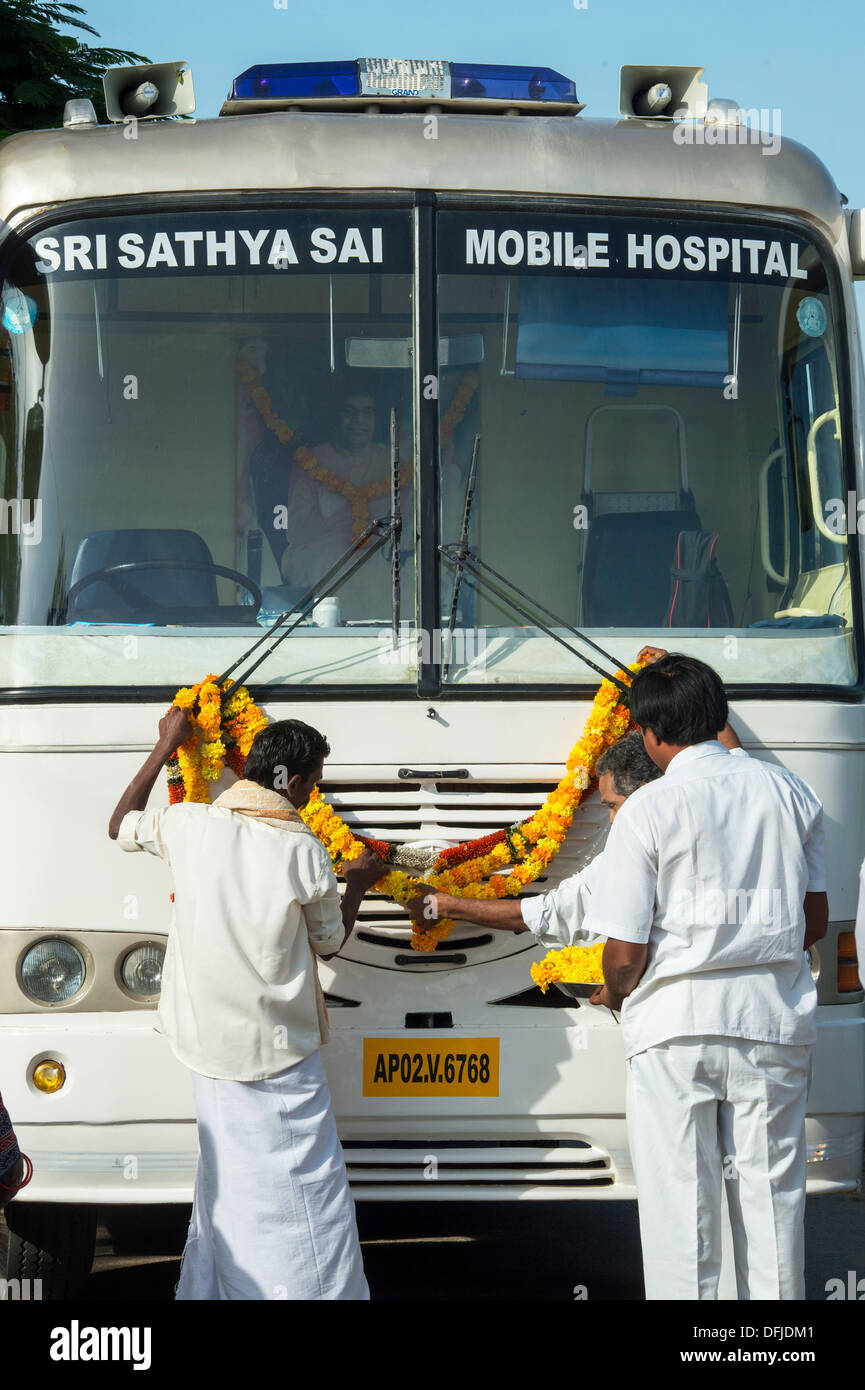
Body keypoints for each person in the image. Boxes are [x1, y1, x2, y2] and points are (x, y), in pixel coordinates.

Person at [108, 711, 385, 1300]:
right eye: (313, 781)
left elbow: (119, 823)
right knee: (304, 1189)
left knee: (228, 1180)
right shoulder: (302, 850)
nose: (314, 794)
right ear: (288, 779)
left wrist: (165, 745)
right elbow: (329, 942)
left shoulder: (187, 823)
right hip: (278, 1057)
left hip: (203, 1046)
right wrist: (357, 881)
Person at [582, 653, 828, 1300]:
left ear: (648, 732)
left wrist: (614, 989)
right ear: (716, 716)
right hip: (771, 1016)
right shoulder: (791, 792)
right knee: (772, 1197)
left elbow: (626, 950)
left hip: (674, 1025)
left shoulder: (649, 807)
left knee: (679, 1202)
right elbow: (812, 922)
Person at [407, 730, 663, 944]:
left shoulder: (639, 854)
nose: (611, 820)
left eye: (613, 806)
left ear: (642, 794)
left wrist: (446, 906)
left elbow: (555, 912)